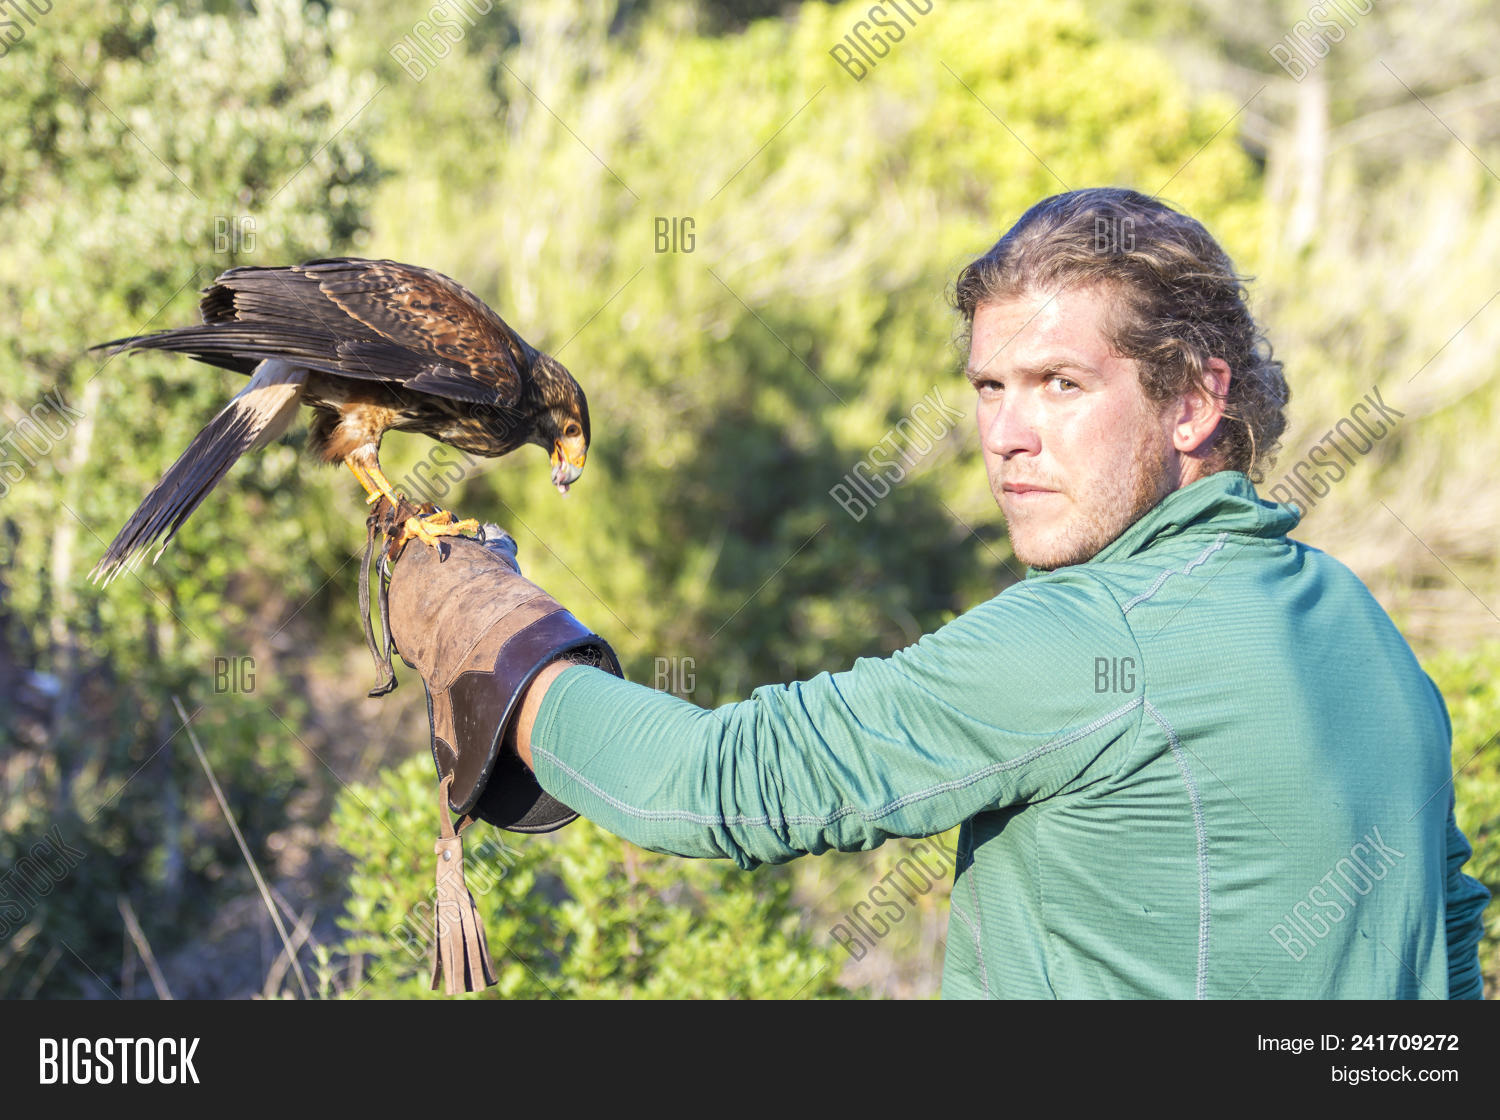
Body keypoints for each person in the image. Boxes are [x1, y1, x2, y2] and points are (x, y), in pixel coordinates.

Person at [398, 188, 1491, 999]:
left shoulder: (1095, 637)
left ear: (1196, 398)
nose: (1008, 436)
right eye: (988, 387)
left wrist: (489, 637)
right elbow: (1445, 948)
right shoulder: (1360, 623)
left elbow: (713, 783)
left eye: (1062, 384)